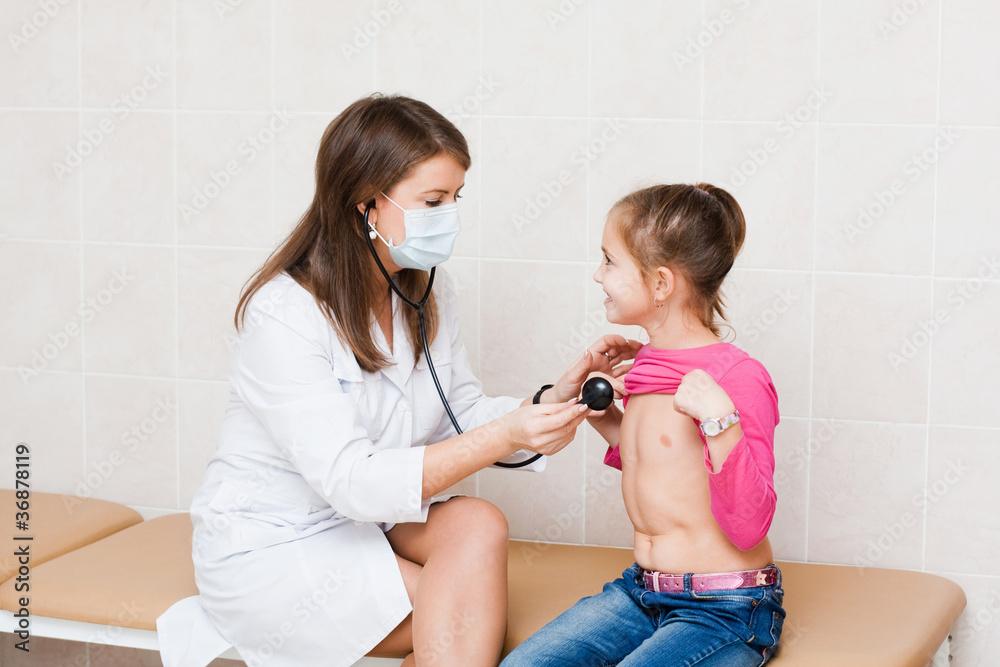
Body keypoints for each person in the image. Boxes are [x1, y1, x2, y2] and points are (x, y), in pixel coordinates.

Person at [155, 94, 639, 667]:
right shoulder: (283, 314)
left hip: (366, 524)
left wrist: (550, 401)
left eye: (455, 198)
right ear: (365, 205)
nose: (449, 216)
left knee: (476, 522)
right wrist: (510, 434)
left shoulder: (426, 291)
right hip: (273, 545)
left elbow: (461, 410)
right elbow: (351, 482)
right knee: (457, 620)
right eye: (432, 201)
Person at [502, 183, 786, 666]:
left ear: (660, 284)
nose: (598, 275)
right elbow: (653, 462)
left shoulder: (735, 378)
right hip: (642, 592)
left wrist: (722, 422)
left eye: (609, 261)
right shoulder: (651, 364)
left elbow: (750, 521)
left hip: (724, 607)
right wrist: (602, 412)